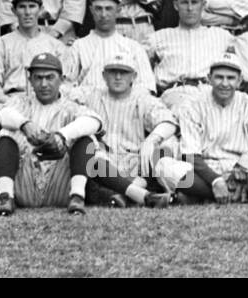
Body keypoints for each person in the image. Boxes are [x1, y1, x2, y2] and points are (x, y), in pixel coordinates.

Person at [153, 53, 248, 204]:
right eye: (219, 77)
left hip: (241, 169)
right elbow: (190, 155)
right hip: (205, 168)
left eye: (230, 78)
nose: (224, 83)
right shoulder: (193, 106)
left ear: (239, 81)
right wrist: (216, 181)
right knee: (164, 167)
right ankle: (244, 194)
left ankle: (201, 196)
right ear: (209, 78)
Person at [0, 52, 104, 216]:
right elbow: (2, 114)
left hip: (59, 183)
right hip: (25, 181)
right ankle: (5, 197)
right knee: (6, 134)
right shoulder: (21, 102)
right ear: (30, 80)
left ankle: (78, 196)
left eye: (49, 77)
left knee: (86, 139)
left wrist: (61, 135)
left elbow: (95, 121)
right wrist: (25, 124)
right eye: (38, 78)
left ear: (62, 79)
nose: (43, 84)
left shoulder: (70, 106)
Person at [73, 52, 177, 208]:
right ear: (103, 75)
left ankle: (123, 196)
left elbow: (169, 122)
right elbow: (62, 97)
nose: (118, 77)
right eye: (113, 71)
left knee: (164, 149)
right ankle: (136, 195)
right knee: (87, 152)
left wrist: (152, 139)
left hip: (134, 166)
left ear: (133, 76)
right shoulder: (90, 95)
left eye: (124, 72)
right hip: (102, 166)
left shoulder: (143, 99)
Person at [147, 0, 235, 111]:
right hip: (176, 94)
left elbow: (243, 60)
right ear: (176, 5)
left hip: (210, 92)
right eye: (184, 2)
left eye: (194, 2)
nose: (190, 8)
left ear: (203, 5)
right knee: (185, 109)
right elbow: (141, 69)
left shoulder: (221, 36)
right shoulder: (158, 37)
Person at [0, 0, 74, 104]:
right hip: (10, 101)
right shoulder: (0, 44)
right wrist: (8, 103)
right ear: (14, 10)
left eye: (32, 6)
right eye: (22, 7)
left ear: (40, 9)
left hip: (47, 102)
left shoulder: (56, 46)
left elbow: (66, 84)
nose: (27, 12)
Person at [67, 0, 156, 96]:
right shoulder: (78, 46)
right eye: (98, 9)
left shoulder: (134, 47)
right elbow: (66, 85)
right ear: (91, 10)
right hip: (86, 103)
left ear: (118, 11)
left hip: (124, 106)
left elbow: (146, 87)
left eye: (109, 8)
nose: (103, 15)